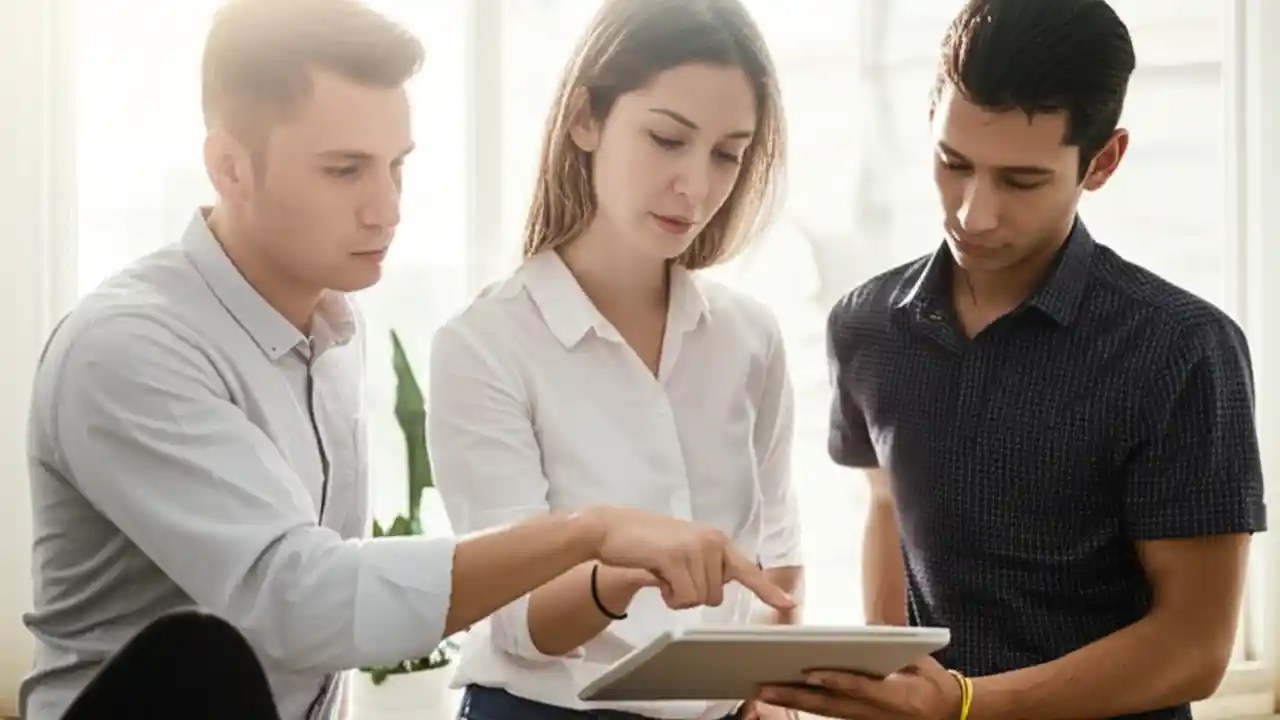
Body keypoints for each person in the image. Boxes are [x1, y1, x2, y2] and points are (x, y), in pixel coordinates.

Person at [20, 1, 793, 719]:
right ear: (230, 168)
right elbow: (302, 603)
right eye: (344, 170)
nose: (387, 209)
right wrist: (590, 533)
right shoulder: (128, 350)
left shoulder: (330, 332)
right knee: (202, 654)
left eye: (396, 166)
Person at [757, 1, 1267, 719]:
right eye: (953, 164)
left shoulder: (1182, 349)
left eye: (1020, 181)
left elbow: (1194, 646)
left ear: (1104, 161)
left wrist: (964, 704)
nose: (974, 214)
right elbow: (887, 509)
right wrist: (890, 687)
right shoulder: (866, 326)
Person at [427, 1, 802, 719]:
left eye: (727, 154)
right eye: (667, 139)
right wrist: (623, 570)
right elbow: (520, 622)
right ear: (585, 119)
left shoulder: (749, 338)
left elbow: (777, 555)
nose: (696, 187)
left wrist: (768, 689)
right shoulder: (486, 345)